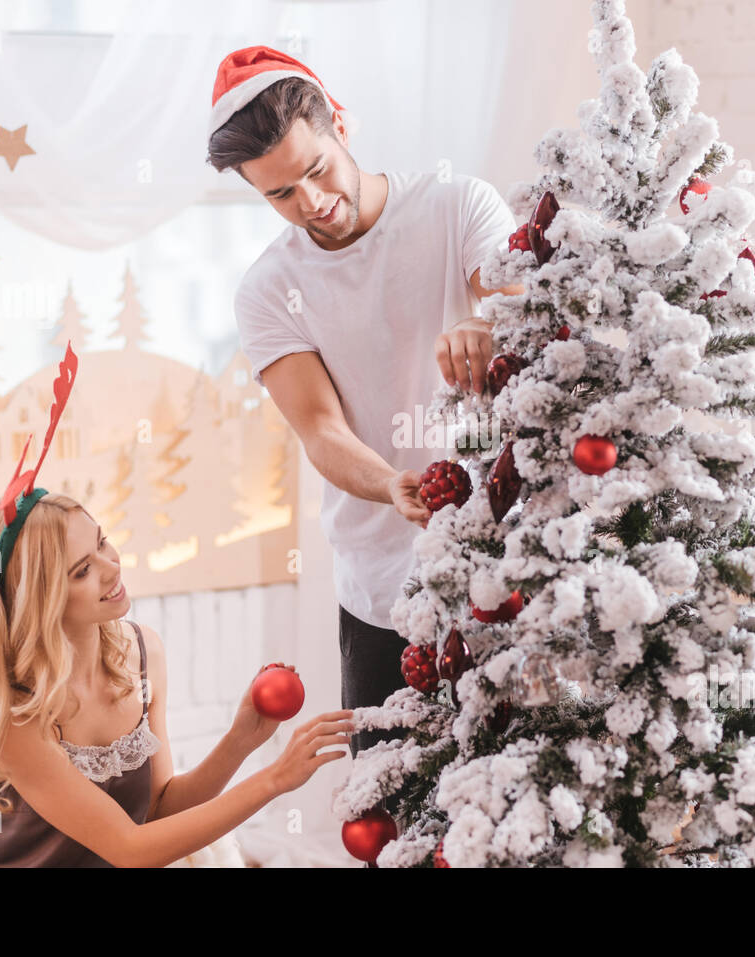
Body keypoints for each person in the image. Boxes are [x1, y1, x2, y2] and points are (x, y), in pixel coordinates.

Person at [206, 47, 523, 756]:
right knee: (390, 798)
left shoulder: (456, 205)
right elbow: (320, 429)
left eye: (317, 170)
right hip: (382, 592)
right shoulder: (268, 290)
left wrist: (487, 324)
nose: (311, 203)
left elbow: (525, 303)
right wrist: (388, 484)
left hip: (509, 566)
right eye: (281, 195)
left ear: (340, 125)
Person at [0, 343, 352, 868]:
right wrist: (275, 780)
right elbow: (131, 850)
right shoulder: (13, 711)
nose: (111, 567)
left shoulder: (141, 653)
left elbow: (155, 813)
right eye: (82, 570)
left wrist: (240, 741)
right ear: (40, 602)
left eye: (102, 542)